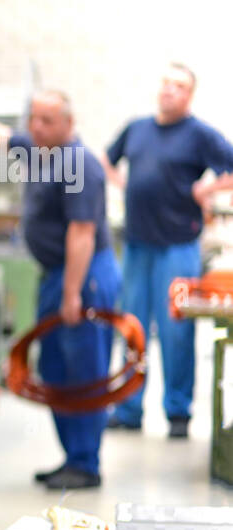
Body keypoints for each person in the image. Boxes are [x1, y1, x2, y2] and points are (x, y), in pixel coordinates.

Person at [0, 83, 118, 489]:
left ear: (70, 123)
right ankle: (73, 457)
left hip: (84, 275)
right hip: (59, 275)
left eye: (47, 120)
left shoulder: (78, 164)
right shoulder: (38, 150)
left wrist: (72, 292)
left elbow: (82, 233)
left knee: (81, 370)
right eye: (33, 118)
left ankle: (86, 463)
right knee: (56, 368)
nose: (37, 127)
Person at [102, 63, 233, 438]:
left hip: (178, 246)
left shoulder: (200, 135)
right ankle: (128, 409)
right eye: (166, 84)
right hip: (137, 245)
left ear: (189, 95)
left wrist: (207, 191)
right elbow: (106, 160)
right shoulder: (136, 128)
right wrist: (123, 185)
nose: (169, 91)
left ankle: (178, 411)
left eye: (179, 86)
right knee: (132, 328)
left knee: (176, 332)